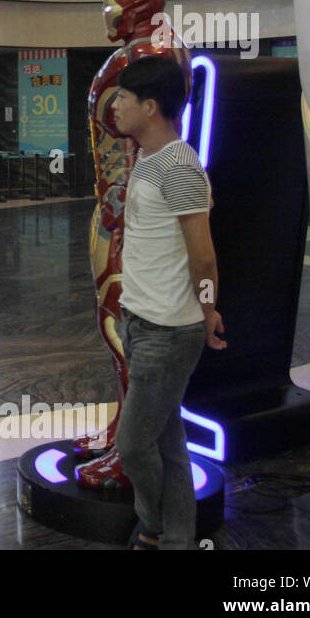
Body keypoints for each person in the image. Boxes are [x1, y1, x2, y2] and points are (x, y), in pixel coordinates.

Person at [110, 55, 225, 550]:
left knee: (132, 447)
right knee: (168, 445)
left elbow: (203, 259)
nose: (114, 107)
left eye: (124, 98)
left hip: (167, 332)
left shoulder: (178, 166)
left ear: (151, 107)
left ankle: (153, 526)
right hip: (140, 323)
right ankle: (178, 538)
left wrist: (207, 311)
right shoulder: (149, 160)